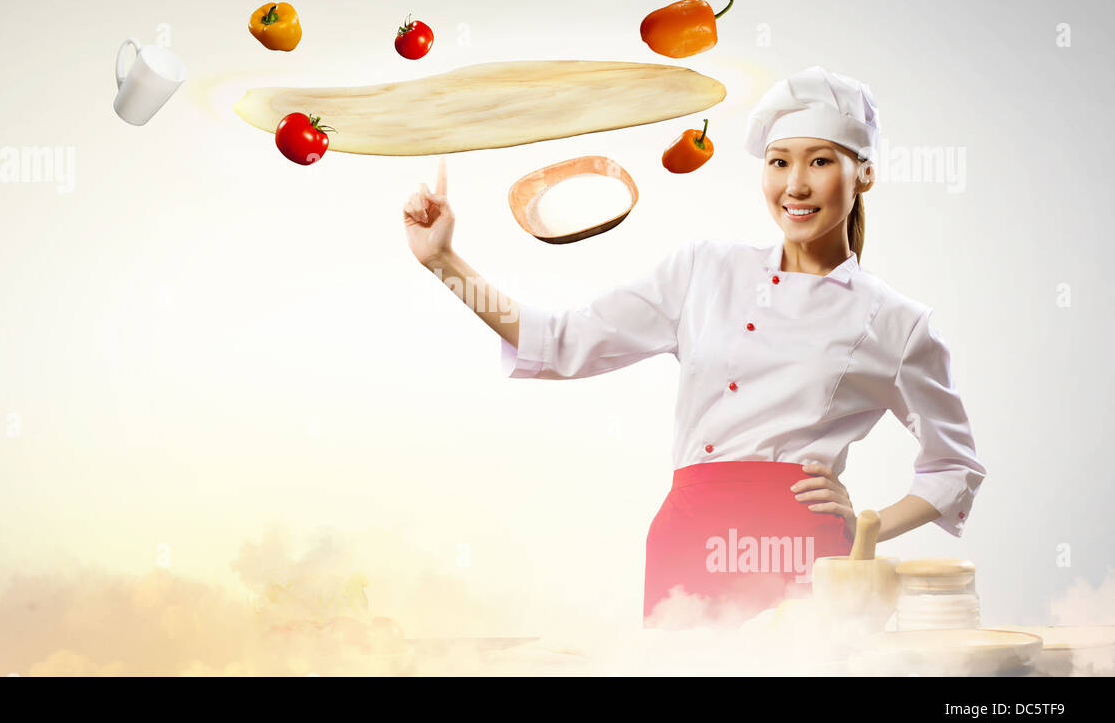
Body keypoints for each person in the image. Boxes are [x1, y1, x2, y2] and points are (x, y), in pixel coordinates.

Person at [402, 66, 987, 626]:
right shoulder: (702, 271)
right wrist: (443, 262)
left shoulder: (896, 322)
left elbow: (954, 465)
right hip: (687, 543)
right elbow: (560, 343)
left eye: (821, 161)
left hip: (801, 555)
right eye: (780, 162)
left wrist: (868, 526)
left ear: (863, 174)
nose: (796, 185)